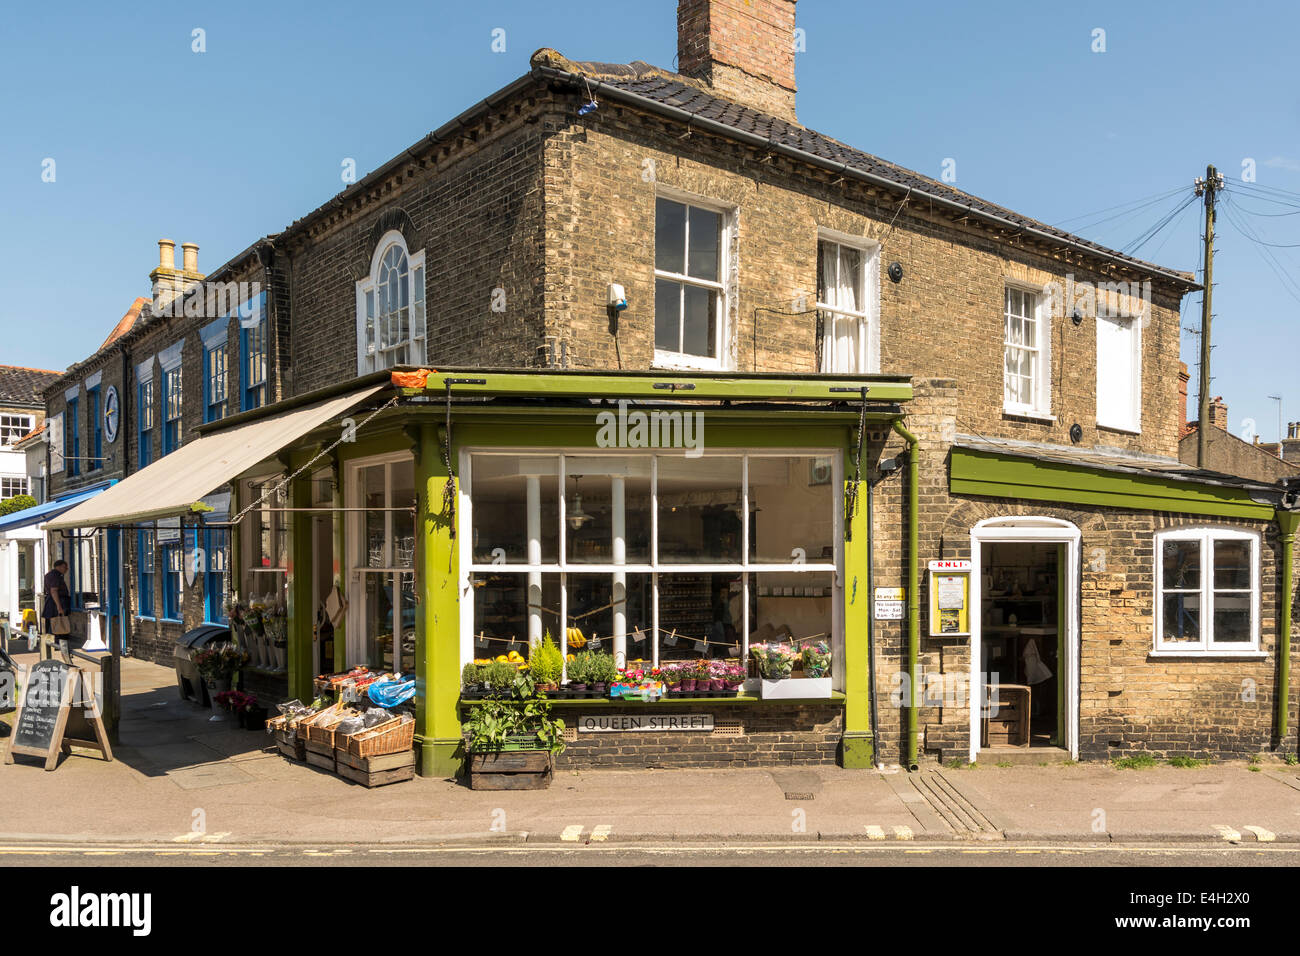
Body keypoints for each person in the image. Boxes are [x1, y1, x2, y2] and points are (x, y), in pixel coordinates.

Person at [42, 560, 71, 638]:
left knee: (52, 622)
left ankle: (50, 640)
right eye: (64, 567)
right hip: (57, 601)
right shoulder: (56, 576)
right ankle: (56, 641)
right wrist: (59, 606)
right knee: (56, 621)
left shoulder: (48, 575)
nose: (66, 569)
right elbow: (54, 591)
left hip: (51, 601)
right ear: (58, 567)